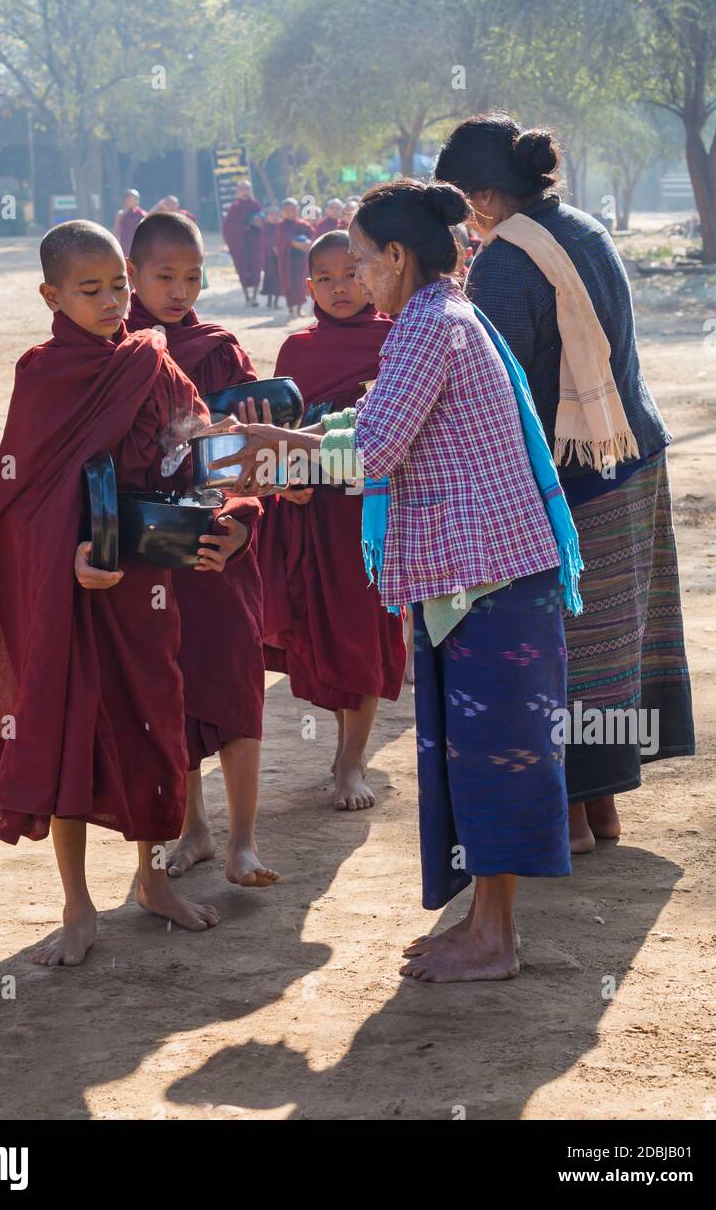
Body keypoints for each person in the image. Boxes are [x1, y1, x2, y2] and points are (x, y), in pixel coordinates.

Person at [203, 179, 582, 983]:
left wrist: (278, 452)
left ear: (398, 258)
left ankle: (496, 938)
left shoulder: (426, 326)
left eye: (366, 259)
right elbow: (378, 420)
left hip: (491, 574)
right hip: (484, 570)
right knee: (476, 754)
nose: (360, 274)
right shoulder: (437, 315)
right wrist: (286, 439)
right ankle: (484, 925)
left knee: (495, 756)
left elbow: (373, 451)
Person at [435, 113, 695, 854]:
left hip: (572, 472)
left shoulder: (508, 264)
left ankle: (575, 821)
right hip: (632, 449)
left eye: (461, 205)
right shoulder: (581, 225)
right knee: (616, 636)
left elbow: (496, 388)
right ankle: (604, 811)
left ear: (483, 196)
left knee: (565, 644)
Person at [0, 219, 220, 968]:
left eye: (120, 284)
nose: (115, 301)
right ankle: (77, 904)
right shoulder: (41, 373)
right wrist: (71, 558)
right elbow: (20, 503)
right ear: (51, 294)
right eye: (92, 290)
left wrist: (235, 511)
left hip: (143, 585)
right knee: (69, 738)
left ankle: (150, 880)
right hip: (68, 598)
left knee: (152, 723)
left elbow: (198, 442)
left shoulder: (151, 361)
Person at [126, 210, 277, 887]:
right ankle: (195, 831)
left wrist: (244, 518)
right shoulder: (115, 350)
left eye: (192, 277)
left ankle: (245, 840)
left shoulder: (218, 349)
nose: (180, 291)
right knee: (170, 692)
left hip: (219, 545)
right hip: (150, 551)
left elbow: (241, 452)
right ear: (132, 275)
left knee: (236, 685)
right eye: (164, 277)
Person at [258, 230, 406, 810]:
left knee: (364, 632)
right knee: (322, 630)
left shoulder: (395, 339)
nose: (340, 288)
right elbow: (281, 433)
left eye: (351, 274)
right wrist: (286, 482)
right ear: (308, 285)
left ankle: (351, 761)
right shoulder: (296, 349)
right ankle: (342, 749)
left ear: (370, 275)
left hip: (368, 513)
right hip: (310, 513)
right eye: (326, 279)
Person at [222, 179, 263, 307]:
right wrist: (241, 227)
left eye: (247, 189)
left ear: (251, 190)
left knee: (256, 269)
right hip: (240, 243)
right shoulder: (234, 207)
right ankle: (247, 297)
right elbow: (228, 226)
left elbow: (263, 222)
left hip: (254, 242)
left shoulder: (256, 205)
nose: (245, 192)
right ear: (237, 192)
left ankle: (255, 298)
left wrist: (258, 223)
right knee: (242, 269)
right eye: (242, 189)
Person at [276, 198, 313, 319]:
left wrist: (308, 244)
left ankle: (299, 309)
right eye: (287, 211)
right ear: (283, 212)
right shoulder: (281, 226)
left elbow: (313, 235)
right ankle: (291, 310)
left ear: (297, 210)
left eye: (293, 210)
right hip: (287, 260)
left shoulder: (303, 224)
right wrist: (294, 244)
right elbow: (282, 240)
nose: (290, 213)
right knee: (289, 284)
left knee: (300, 284)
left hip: (301, 260)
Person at [260, 204, 283, 308]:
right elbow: (266, 241)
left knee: (278, 279)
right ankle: (269, 301)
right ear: (268, 216)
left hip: (279, 258)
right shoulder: (266, 227)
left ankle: (275, 302)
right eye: (272, 215)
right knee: (269, 278)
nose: (274, 217)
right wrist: (274, 248)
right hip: (269, 258)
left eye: (277, 215)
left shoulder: (280, 227)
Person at [113, 189, 146, 258]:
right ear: (125, 199)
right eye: (129, 198)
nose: (132, 200)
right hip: (125, 242)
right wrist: (113, 242)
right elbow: (117, 229)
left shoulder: (141, 213)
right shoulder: (121, 214)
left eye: (135, 198)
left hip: (138, 242)